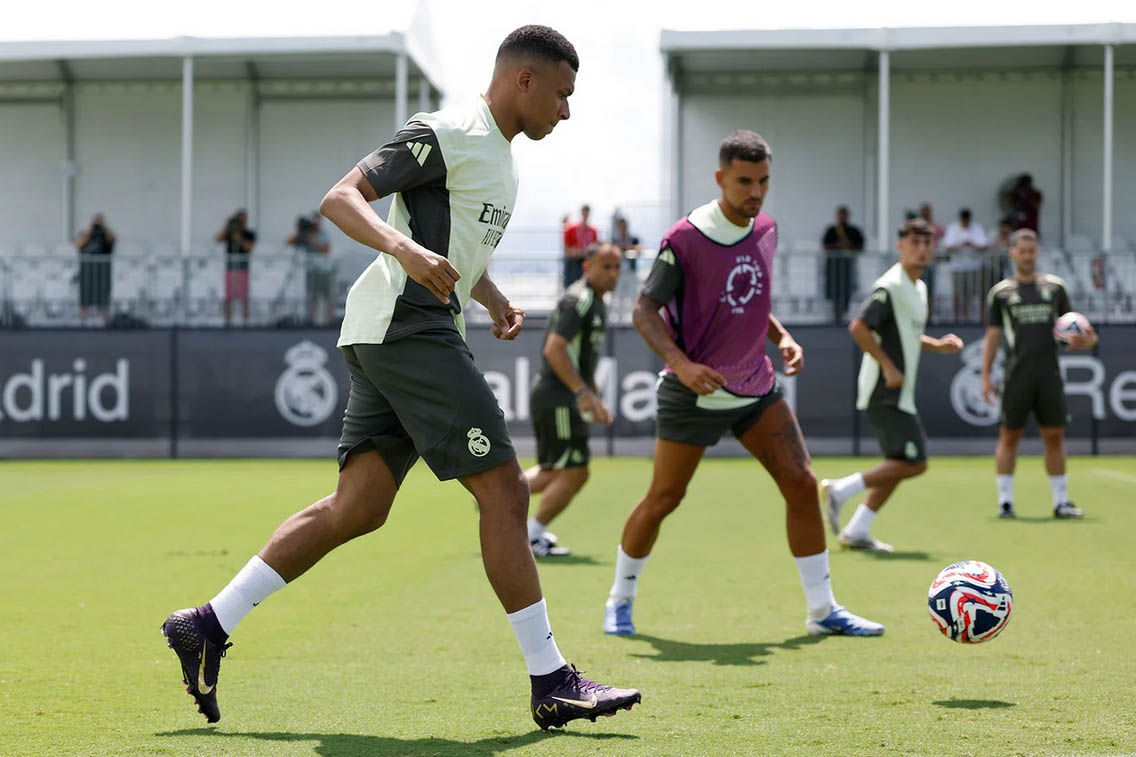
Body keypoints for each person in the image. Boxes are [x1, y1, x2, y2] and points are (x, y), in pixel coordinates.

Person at [161, 25, 640, 732]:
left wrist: (490, 294)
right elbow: (342, 197)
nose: (565, 112)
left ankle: (206, 621)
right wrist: (402, 248)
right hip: (408, 325)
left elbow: (451, 246)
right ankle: (552, 678)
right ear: (525, 80)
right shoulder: (449, 129)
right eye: (562, 95)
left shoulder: (501, 161)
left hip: (398, 326)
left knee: (358, 506)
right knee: (505, 488)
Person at [601, 130, 884, 640]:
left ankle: (823, 610)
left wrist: (782, 336)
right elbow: (644, 310)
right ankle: (619, 599)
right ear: (720, 179)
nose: (755, 193)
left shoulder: (767, 229)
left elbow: (751, 299)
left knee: (801, 483)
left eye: (764, 182)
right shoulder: (684, 239)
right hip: (693, 391)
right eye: (744, 182)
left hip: (755, 388)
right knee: (664, 498)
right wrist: (682, 365)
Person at [820, 219, 964, 552]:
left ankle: (856, 531)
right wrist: (888, 366)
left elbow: (906, 335)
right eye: (914, 242)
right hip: (884, 390)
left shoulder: (919, 288)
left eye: (927, 243)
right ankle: (839, 490)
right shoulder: (891, 286)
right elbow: (859, 327)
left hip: (901, 391)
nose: (922, 249)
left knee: (896, 464)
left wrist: (937, 345)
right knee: (915, 463)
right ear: (900, 246)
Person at [980, 229, 1097, 519]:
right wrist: (985, 375)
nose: (1027, 256)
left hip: (1049, 375)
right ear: (1013, 253)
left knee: (1054, 437)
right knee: (1009, 436)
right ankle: (1005, 502)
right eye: (1022, 251)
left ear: (1037, 253)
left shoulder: (1056, 288)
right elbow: (993, 336)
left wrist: (1088, 341)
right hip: (1016, 375)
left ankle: (1061, 502)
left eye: (1032, 251)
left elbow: (1077, 329)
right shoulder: (1001, 293)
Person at [525, 242, 622, 557]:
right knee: (575, 470)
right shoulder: (578, 300)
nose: (613, 274)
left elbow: (582, 359)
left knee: (557, 470)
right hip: (558, 397)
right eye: (606, 266)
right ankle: (531, 535)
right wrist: (581, 393)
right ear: (587, 267)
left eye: (617, 267)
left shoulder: (597, 303)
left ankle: (499, 496)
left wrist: (593, 397)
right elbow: (555, 349)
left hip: (564, 397)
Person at [287, 212, 334, 325]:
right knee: (313, 296)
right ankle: (312, 320)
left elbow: (326, 249)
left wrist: (312, 240)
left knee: (327, 296)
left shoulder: (323, 234)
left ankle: (330, 320)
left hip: (324, 270)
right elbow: (289, 242)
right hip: (312, 271)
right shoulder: (307, 233)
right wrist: (301, 233)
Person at [943, 208, 989, 322]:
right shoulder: (953, 228)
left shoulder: (977, 228)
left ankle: (968, 318)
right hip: (957, 267)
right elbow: (947, 246)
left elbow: (984, 245)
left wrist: (972, 245)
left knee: (970, 294)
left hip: (973, 267)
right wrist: (960, 245)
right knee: (957, 294)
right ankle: (957, 318)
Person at [822, 205, 865, 323]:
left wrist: (848, 245)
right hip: (834, 267)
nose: (842, 217)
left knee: (847, 289)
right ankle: (837, 315)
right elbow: (826, 246)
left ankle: (845, 312)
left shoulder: (853, 231)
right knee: (835, 290)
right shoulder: (832, 230)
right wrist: (838, 246)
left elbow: (860, 246)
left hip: (847, 266)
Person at [216, 209, 256, 326]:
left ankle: (245, 320)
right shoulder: (229, 233)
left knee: (244, 296)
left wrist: (239, 239)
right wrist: (227, 228)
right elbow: (218, 239)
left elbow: (249, 248)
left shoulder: (248, 233)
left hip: (243, 268)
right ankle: (227, 320)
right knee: (229, 296)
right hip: (230, 268)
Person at [75, 213, 115, 326]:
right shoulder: (86, 233)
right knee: (85, 294)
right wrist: (90, 231)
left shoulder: (106, 233)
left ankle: (106, 321)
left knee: (103, 293)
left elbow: (112, 239)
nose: (97, 224)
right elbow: (78, 244)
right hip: (87, 267)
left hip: (103, 267)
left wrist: (104, 228)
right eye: (96, 221)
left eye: (100, 221)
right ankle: (83, 321)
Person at [611, 216, 643, 317]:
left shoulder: (633, 239)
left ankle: (633, 318)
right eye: (621, 226)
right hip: (619, 272)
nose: (623, 228)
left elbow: (640, 250)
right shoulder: (615, 240)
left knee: (633, 294)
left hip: (631, 271)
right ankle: (618, 318)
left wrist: (630, 247)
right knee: (619, 295)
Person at [562, 204, 597, 289]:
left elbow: (594, 249)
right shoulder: (571, 229)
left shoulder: (592, 230)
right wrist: (579, 252)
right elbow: (567, 250)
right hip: (573, 263)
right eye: (584, 211)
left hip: (586, 262)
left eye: (587, 212)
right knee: (570, 287)